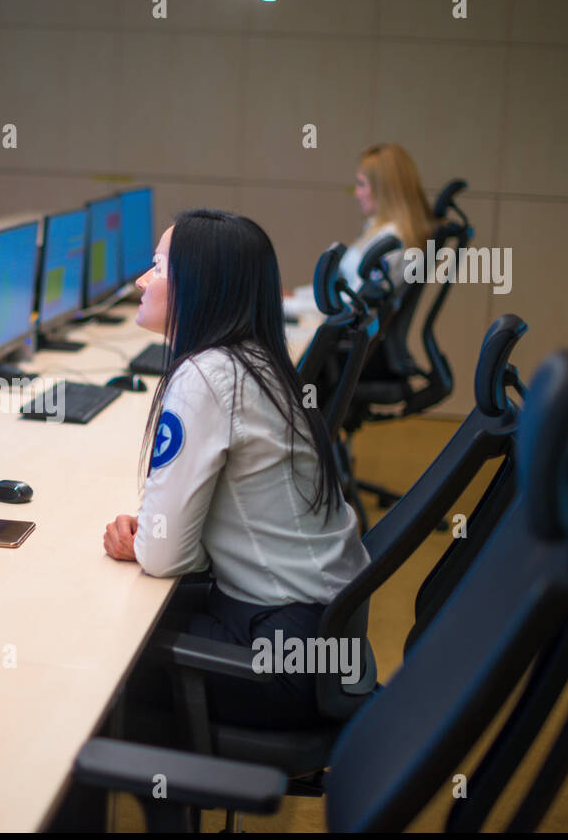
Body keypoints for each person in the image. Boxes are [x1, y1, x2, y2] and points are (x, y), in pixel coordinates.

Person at [102, 209, 370, 728]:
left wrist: (141, 541)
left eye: (157, 267)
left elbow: (164, 556)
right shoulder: (256, 360)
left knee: (92, 665)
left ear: (197, 286)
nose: (141, 280)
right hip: (322, 642)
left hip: (280, 659)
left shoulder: (207, 376)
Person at [339, 142, 436, 292]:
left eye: (362, 184)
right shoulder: (378, 227)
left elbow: (350, 304)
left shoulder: (391, 241)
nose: (356, 194)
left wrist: (293, 303)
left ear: (384, 189)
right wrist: (296, 297)